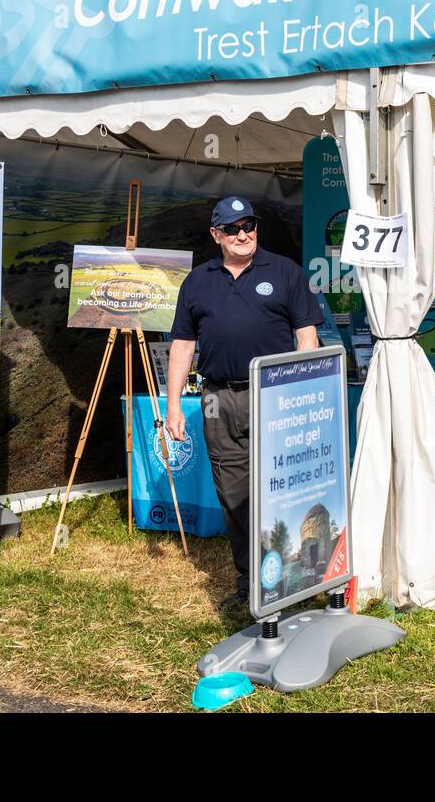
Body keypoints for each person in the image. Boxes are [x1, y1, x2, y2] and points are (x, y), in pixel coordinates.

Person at [166, 197, 322, 611]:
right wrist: (174, 404)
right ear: (216, 235)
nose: (243, 235)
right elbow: (183, 345)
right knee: (233, 492)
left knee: (282, 487)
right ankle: (252, 579)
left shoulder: (286, 272)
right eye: (232, 229)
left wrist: (301, 396)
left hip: (275, 396)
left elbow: (307, 336)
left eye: (248, 225)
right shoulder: (197, 282)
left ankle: (293, 574)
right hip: (218, 397)